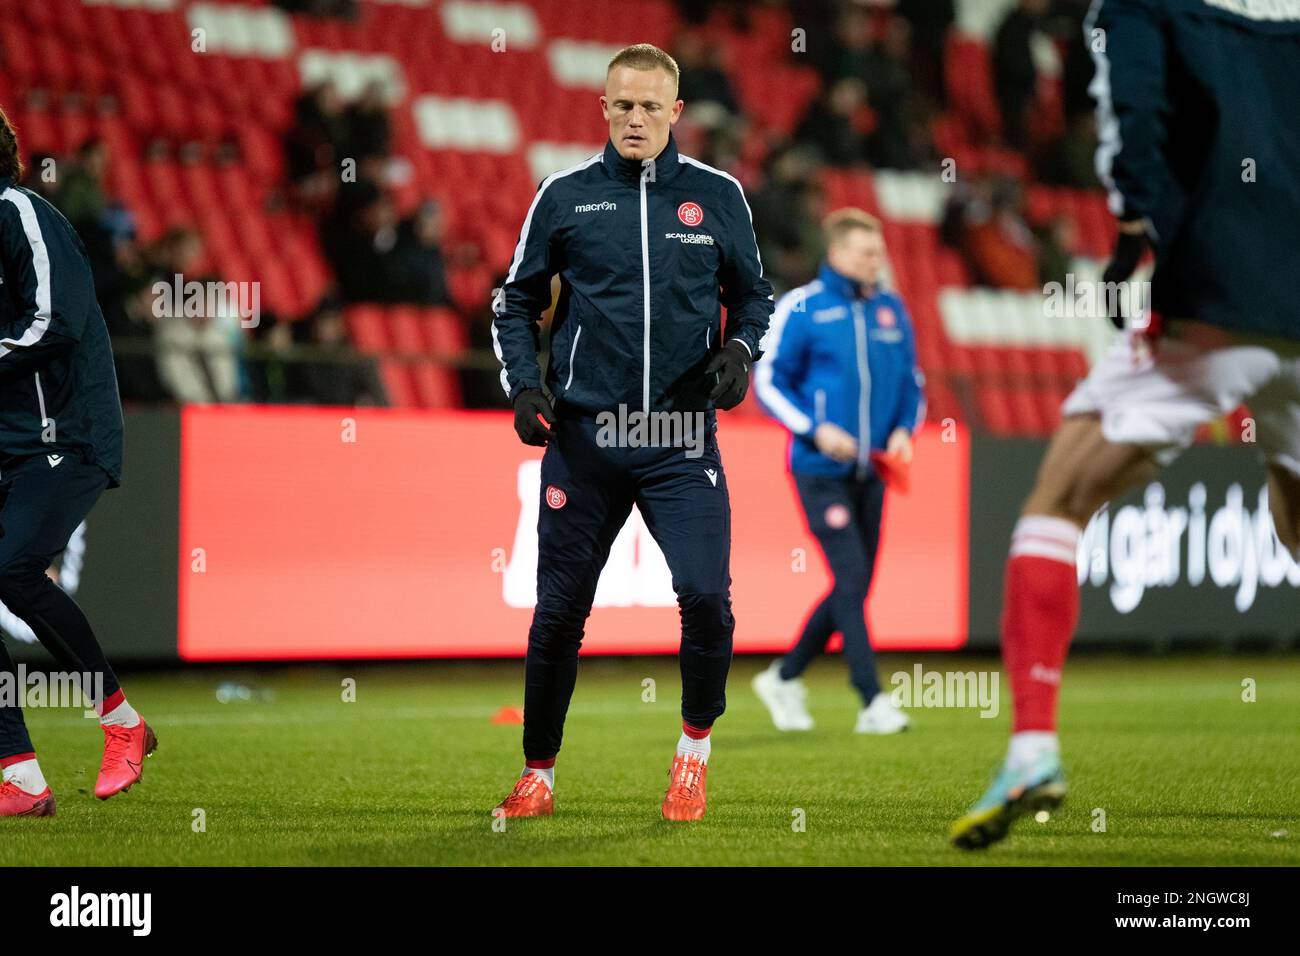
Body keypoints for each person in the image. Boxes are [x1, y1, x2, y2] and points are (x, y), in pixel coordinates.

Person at [950, 0, 1300, 849]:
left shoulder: (1145, 6)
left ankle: (1032, 748)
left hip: (1222, 293)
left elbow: (1132, 110)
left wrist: (1138, 225)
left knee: (1058, 498)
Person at [490, 43, 772, 821]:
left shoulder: (717, 196)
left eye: (652, 105)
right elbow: (512, 302)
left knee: (707, 598)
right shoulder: (565, 195)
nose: (636, 117)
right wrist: (525, 387)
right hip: (585, 441)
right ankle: (537, 774)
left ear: (677, 112)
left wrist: (741, 352)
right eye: (623, 104)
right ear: (603, 108)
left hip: (680, 439)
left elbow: (754, 298)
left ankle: (692, 755)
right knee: (558, 615)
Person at [0, 106, 156, 817]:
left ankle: (121, 722)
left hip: (65, 433)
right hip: (12, 443)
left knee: (10, 567)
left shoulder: (18, 211)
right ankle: (20, 775)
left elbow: (53, 319)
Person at [752, 209, 924, 735]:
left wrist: (902, 431)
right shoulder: (802, 306)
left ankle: (784, 676)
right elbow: (767, 380)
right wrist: (814, 430)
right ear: (838, 254)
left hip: (872, 470)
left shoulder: (891, 310)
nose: (877, 261)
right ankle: (871, 699)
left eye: (879, 252)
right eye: (868, 252)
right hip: (818, 467)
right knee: (851, 578)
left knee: (855, 583)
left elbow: (913, 385)